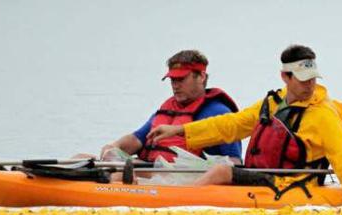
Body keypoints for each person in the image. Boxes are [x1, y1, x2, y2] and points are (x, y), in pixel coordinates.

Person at [146, 44, 342, 208]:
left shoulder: (323, 114)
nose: (310, 85)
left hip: (292, 184)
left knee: (221, 171)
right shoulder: (273, 102)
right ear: (285, 77)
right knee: (216, 167)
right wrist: (179, 131)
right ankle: (173, 195)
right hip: (265, 175)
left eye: (312, 78)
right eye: (303, 78)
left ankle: (175, 203)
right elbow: (232, 125)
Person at [88, 50, 242, 165]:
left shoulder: (219, 113)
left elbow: (235, 161)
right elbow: (137, 139)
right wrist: (113, 147)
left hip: (186, 180)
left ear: (201, 77)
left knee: (118, 175)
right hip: (153, 171)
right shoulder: (168, 109)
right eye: (172, 80)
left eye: (181, 79)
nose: (175, 85)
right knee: (81, 158)